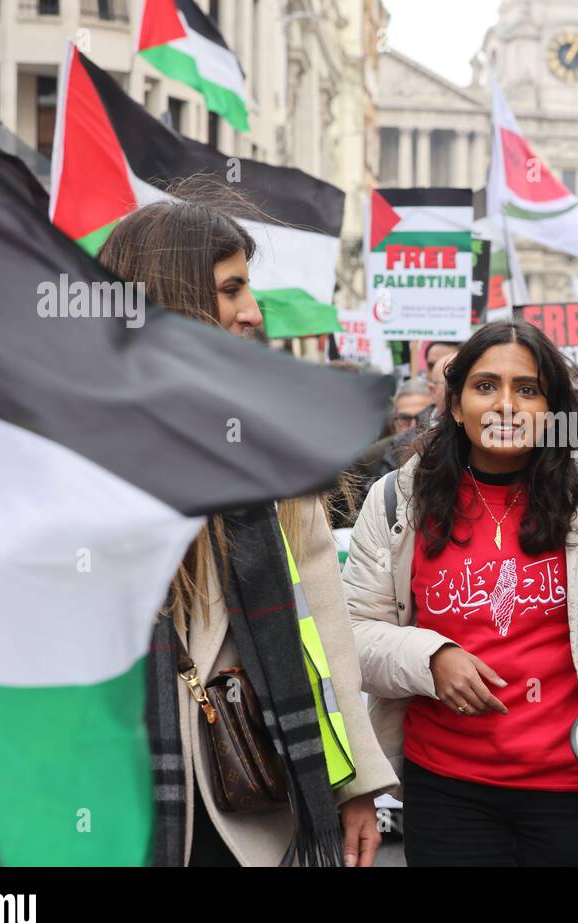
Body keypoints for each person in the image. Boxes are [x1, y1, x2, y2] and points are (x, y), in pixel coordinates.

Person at [98, 196, 396, 867]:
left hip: (248, 782)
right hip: (113, 774)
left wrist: (358, 783)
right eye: (231, 289)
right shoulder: (73, 437)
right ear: (170, 296)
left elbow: (323, 617)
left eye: (248, 289)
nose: (253, 312)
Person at [341, 320, 578, 865]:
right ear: (455, 405)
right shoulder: (398, 499)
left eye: (527, 389)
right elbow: (352, 635)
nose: (506, 405)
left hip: (575, 786)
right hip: (447, 789)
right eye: (484, 386)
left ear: (553, 408)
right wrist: (431, 657)